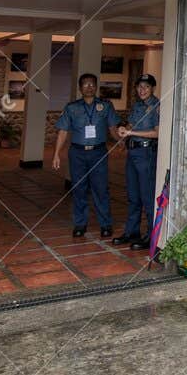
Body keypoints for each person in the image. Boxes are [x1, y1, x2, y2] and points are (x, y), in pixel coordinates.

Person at [52, 73, 123, 238]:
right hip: (77, 153)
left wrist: (121, 141)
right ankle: (80, 224)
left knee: (101, 189)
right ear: (80, 88)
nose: (89, 87)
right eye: (85, 84)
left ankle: (105, 224)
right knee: (79, 189)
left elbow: (113, 127)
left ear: (96, 87)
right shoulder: (72, 107)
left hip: (98, 152)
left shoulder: (106, 106)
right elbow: (62, 132)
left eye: (92, 84)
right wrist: (56, 154)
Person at [116, 73, 161, 249]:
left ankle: (151, 235)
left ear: (152, 89)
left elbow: (157, 133)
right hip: (133, 151)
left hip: (146, 152)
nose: (142, 90)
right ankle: (131, 231)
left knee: (147, 196)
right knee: (133, 196)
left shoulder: (157, 105)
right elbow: (131, 125)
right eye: (140, 87)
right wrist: (124, 130)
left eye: (146, 87)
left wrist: (131, 133)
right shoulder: (137, 106)